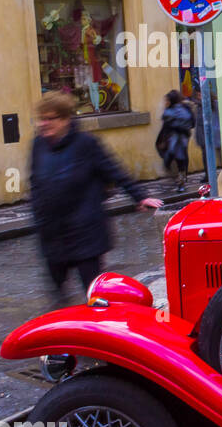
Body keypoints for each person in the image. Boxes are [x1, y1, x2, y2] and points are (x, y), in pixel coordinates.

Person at [30, 92, 162, 306]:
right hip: (53, 235)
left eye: (49, 118)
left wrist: (140, 196)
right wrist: (39, 218)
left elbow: (114, 170)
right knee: (58, 296)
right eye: (41, 118)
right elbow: (35, 182)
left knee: (94, 296)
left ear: (65, 119)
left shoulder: (86, 144)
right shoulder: (38, 145)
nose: (43, 124)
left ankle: (98, 331)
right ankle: (64, 333)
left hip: (85, 234)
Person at [156, 90, 194, 190]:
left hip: (175, 139)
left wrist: (163, 140)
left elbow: (166, 126)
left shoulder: (170, 111)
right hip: (184, 138)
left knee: (172, 160)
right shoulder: (186, 108)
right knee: (181, 161)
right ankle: (181, 181)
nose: (165, 102)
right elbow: (192, 123)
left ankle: (179, 181)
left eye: (167, 100)